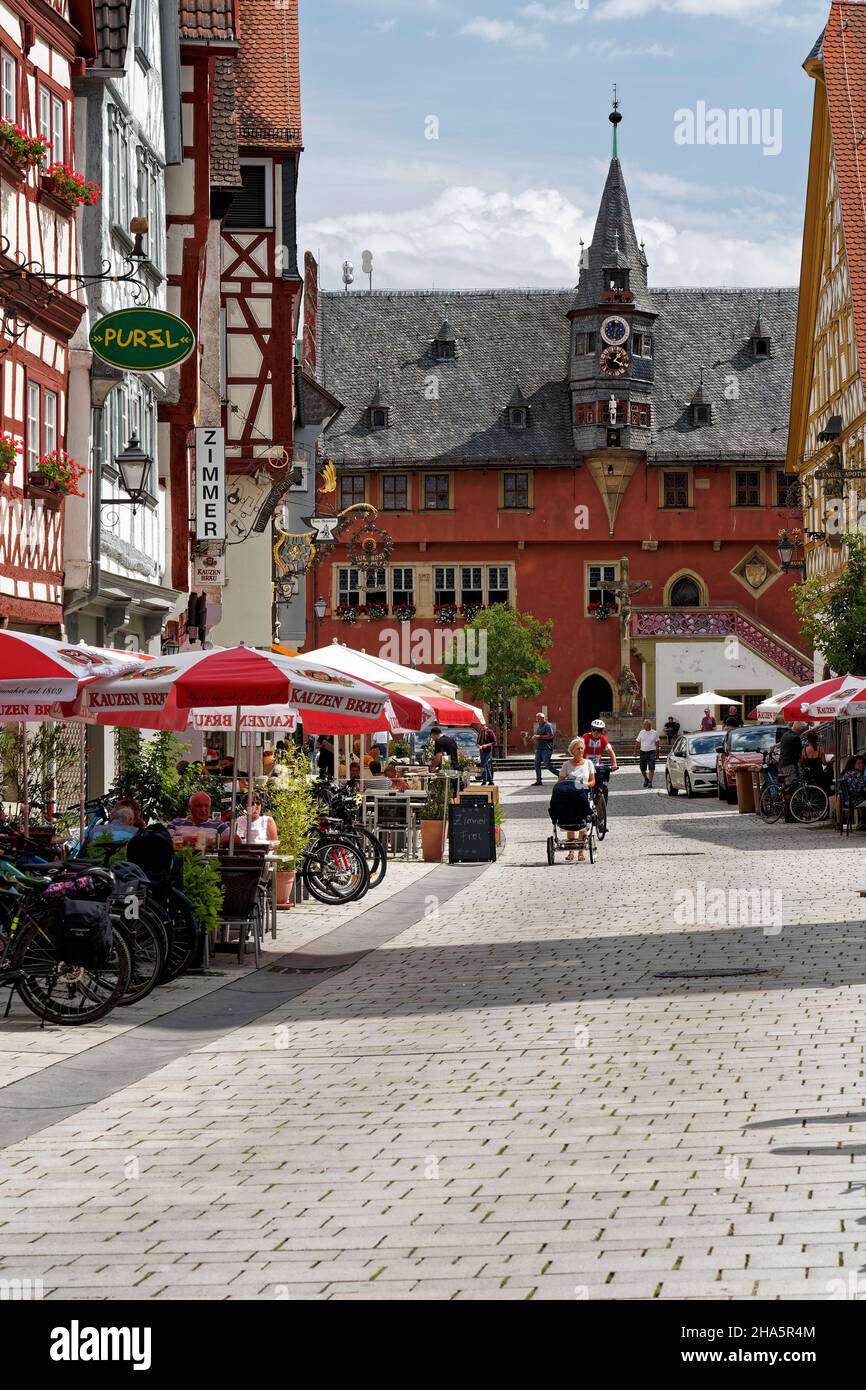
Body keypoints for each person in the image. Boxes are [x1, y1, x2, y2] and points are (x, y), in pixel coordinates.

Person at [553, 736, 596, 862]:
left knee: (582, 821)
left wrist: (586, 784)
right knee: (569, 819)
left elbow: (593, 781)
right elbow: (559, 782)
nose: (580, 751)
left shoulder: (588, 763)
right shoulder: (566, 764)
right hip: (570, 795)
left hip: (583, 794)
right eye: (578, 749)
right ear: (572, 750)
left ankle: (581, 852)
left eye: (582, 748)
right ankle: (571, 851)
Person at [581, 719, 618, 805]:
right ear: (591, 729)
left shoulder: (603, 739)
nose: (596, 732)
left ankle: (602, 807)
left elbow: (610, 751)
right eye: (594, 729)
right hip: (585, 764)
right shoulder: (585, 737)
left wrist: (614, 764)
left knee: (604, 787)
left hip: (598, 765)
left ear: (602, 731)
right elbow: (578, 749)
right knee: (581, 786)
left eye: (599, 730)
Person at [532, 711, 556, 785]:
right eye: (537, 718)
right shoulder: (540, 725)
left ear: (542, 718)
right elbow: (539, 735)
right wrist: (535, 737)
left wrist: (539, 736)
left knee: (547, 765)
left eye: (538, 718)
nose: (537, 720)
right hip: (539, 748)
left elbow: (551, 736)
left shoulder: (548, 725)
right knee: (536, 764)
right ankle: (539, 780)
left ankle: (560, 775)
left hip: (546, 748)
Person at [634, 719, 661, 788]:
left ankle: (650, 782)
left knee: (652, 767)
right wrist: (635, 751)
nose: (644, 726)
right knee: (642, 768)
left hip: (652, 751)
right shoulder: (641, 732)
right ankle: (646, 779)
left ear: (649, 725)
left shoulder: (654, 733)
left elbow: (657, 743)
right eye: (644, 724)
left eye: (645, 724)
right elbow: (637, 742)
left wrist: (658, 753)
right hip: (643, 752)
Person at [473, 719, 498, 786]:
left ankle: (484, 781)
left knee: (483, 765)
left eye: (479, 725)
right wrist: (478, 745)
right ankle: (490, 781)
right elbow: (478, 742)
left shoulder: (489, 732)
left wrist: (486, 745)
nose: (478, 727)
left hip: (487, 751)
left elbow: (494, 742)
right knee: (486, 765)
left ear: (483, 725)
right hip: (481, 751)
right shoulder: (480, 732)